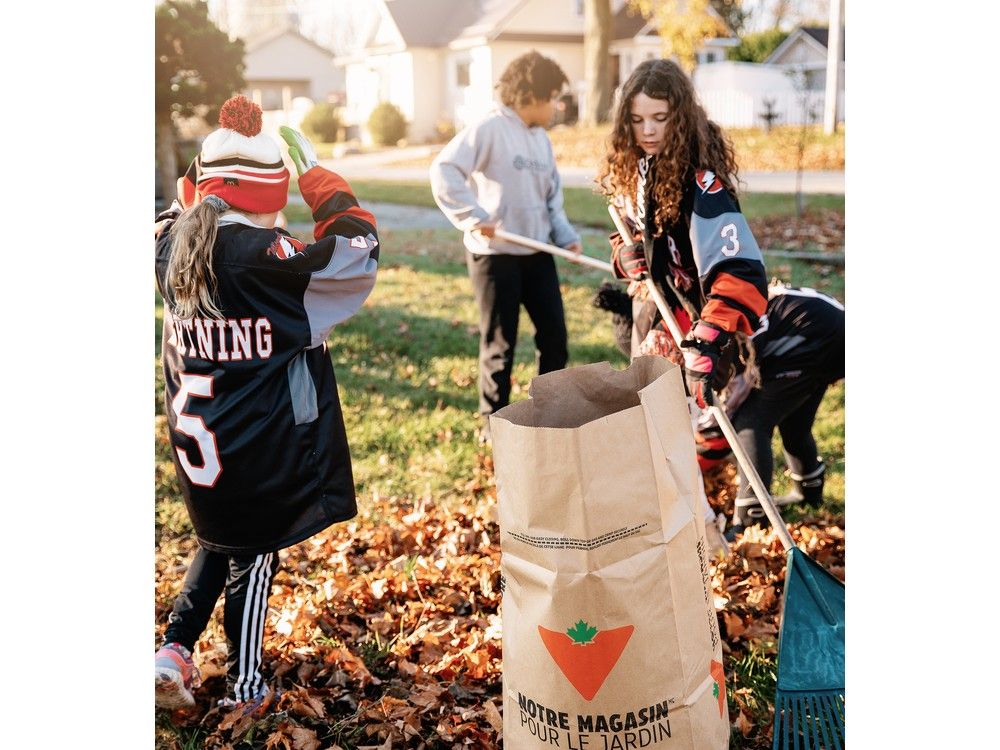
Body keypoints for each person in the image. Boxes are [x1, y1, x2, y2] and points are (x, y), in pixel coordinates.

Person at [153, 95, 379, 712]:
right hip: (258, 445)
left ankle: (172, 650)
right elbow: (357, 252)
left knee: (219, 539)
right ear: (268, 197)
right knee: (252, 563)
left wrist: (196, 185)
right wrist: (318, 179)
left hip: (202, 450)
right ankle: (246, 688)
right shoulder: (267, 261)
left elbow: (173, 212)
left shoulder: (170, 247)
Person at [596, 59, 768, 412]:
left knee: (670, 429)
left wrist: (707, 341)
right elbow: (628, 232)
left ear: (681, 119)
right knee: (645, 426)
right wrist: (624, 257)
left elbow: (740, 272)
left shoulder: (701, 186)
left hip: (692, 324)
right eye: (637, 120)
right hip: (651, 309)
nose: (647, 131)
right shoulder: (636, 169)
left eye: (660, 119)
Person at [430, 50, 582, 444]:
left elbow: (552, 199)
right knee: (500, 343)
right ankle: (493, 423)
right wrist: (474, 215)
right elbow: (445, 170)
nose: (557, 106)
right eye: (553, 97)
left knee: (554, 337)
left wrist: (564, 236)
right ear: (531, 95)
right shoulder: (489, 129)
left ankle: (546, 414)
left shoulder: (542, 141)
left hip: (536, 254)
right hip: (494, 257)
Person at [695, 284, 845, 538]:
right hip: (826, 332)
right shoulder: (729, 309)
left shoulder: (721, 332)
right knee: (794, 423)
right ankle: (809, 492)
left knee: (750, 423)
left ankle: (751, 518)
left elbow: (730, 403)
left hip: (815, 338)